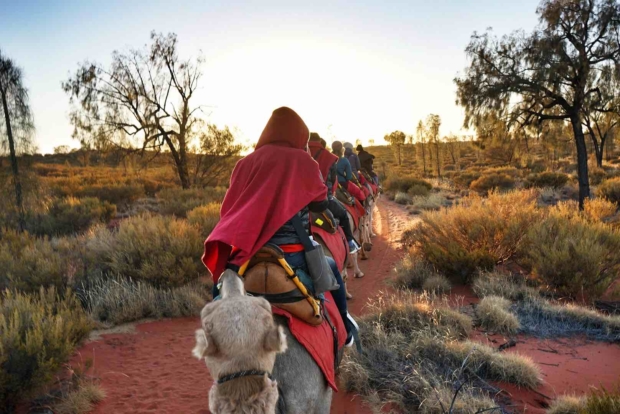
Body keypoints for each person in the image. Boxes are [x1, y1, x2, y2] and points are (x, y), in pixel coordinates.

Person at [202, 107, 358, 346]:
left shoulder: (246, 163)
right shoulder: (302, 160)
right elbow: (320, 203)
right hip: (294, 255)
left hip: (249, 256)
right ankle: (345, 330)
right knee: (331, 268)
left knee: (220, 288)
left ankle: (218, 342)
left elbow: (228, 210)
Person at [308, 133, 361, 254]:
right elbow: (335, 180)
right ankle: (350, 243)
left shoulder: (299, 155)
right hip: (324, 198)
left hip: (301, 202)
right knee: (343, 213)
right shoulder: (330, 158)